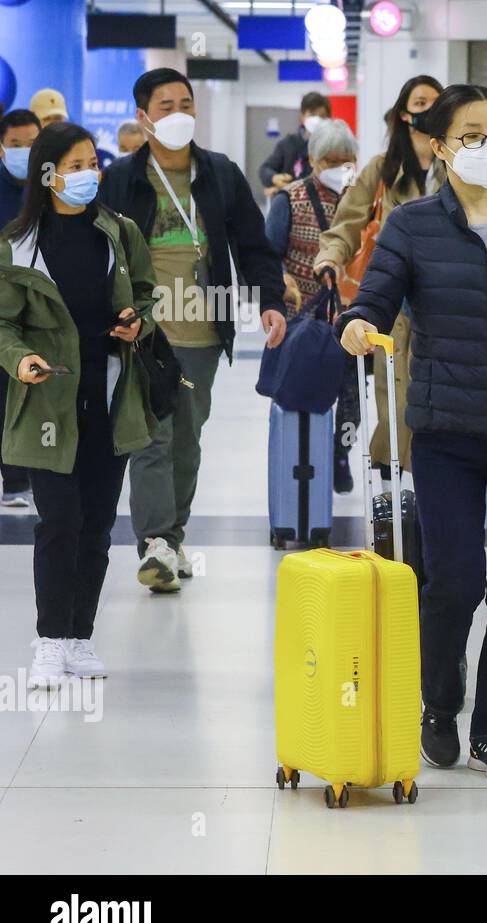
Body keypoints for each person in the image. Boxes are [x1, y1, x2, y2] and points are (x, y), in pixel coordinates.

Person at [335, 85, 487, 780]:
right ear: (439, 145)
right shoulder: (414, 225)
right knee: (455, 581)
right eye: (471, 134)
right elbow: (375, 300)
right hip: (446, 432)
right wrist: (357, 324)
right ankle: (439, 704)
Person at [101, 68, 287, 594]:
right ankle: (155, 541)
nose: (179, 113)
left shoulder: (220, 174)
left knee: (187, 437)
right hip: (145, 332)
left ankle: (173, 536)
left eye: (186, 103)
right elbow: (102, 249)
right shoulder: (121, 178)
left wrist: (270, 302)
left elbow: (253, 246)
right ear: (143, 117)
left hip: (203, 329)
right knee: (152, 437)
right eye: (166, 105)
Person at [0, 123, 158, 686]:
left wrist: (139, 321)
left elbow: (147, 293)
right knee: (59, 521)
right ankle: (49, 638)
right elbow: (2, 322)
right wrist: (18, 357)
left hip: (110, 397)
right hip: (48, 402)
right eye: (74, 165)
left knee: (95, 524)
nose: (88, 173)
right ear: (47, 174)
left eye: (92, 162)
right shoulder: (17, 245)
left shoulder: (119, 233)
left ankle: (79, 636)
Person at [315, 75, 445, 477]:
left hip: (449, 306)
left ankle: (432, 491)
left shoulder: (457, 167)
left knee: (442, 407)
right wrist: (331, 258)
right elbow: (347, 223)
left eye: (437, 103)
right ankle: (397, 490)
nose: (429, 110)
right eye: (421, 102)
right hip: (396, 309)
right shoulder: (382, 170)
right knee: (397, 403)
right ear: (405, 113)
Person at [265, 118, 361, 494]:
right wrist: (282, 282)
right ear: (313, 161)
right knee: (299, 389)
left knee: (351, 393)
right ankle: (299, 456)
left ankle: (341, 454)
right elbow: (268, 253)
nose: (340, 168)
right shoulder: (288, 198)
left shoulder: (362, 195)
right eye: (332, 161)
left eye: (347, 160)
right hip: (301, 317)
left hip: (351, 317)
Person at [0, 109, 41, 508]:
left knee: (26, 386)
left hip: (37, 304)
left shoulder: (51, 188)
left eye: (32, 143)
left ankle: (20, 477)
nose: (24, 151)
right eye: (15, 145)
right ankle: (13, 478)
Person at [258, 92, 332, 192]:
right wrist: (274, 178)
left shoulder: (333, 147)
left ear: (328, 119)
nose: (317, 120)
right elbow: (265, 169)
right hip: (292, 202)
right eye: (312, 114)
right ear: (302, 117)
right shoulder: (287, 144)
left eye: (322, 116)